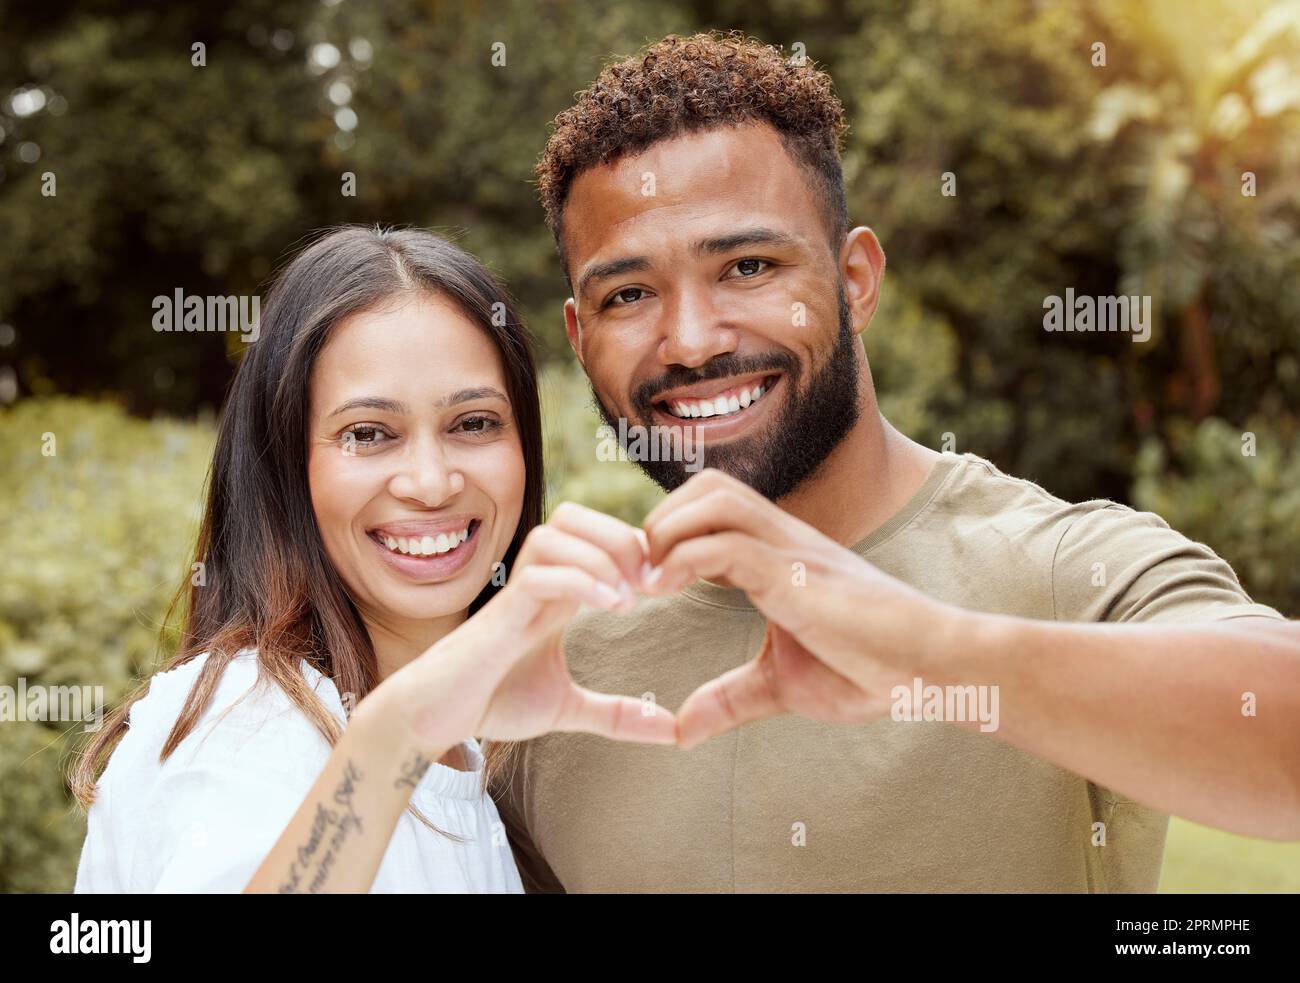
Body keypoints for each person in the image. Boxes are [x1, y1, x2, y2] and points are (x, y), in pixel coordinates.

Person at [491, 32, 1300, 892]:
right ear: (581, 339)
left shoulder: (1066, 569)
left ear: (856, 281)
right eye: (628, 295)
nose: (690, 341)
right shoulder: (549, 670)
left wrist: (926, 649)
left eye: (748, 266)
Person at [70, 225, 674, 893]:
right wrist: (403, 732)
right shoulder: (246, 715)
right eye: (368, 433)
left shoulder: (467, 753)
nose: (432, 481)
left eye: (473, 422)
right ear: (287, 466)